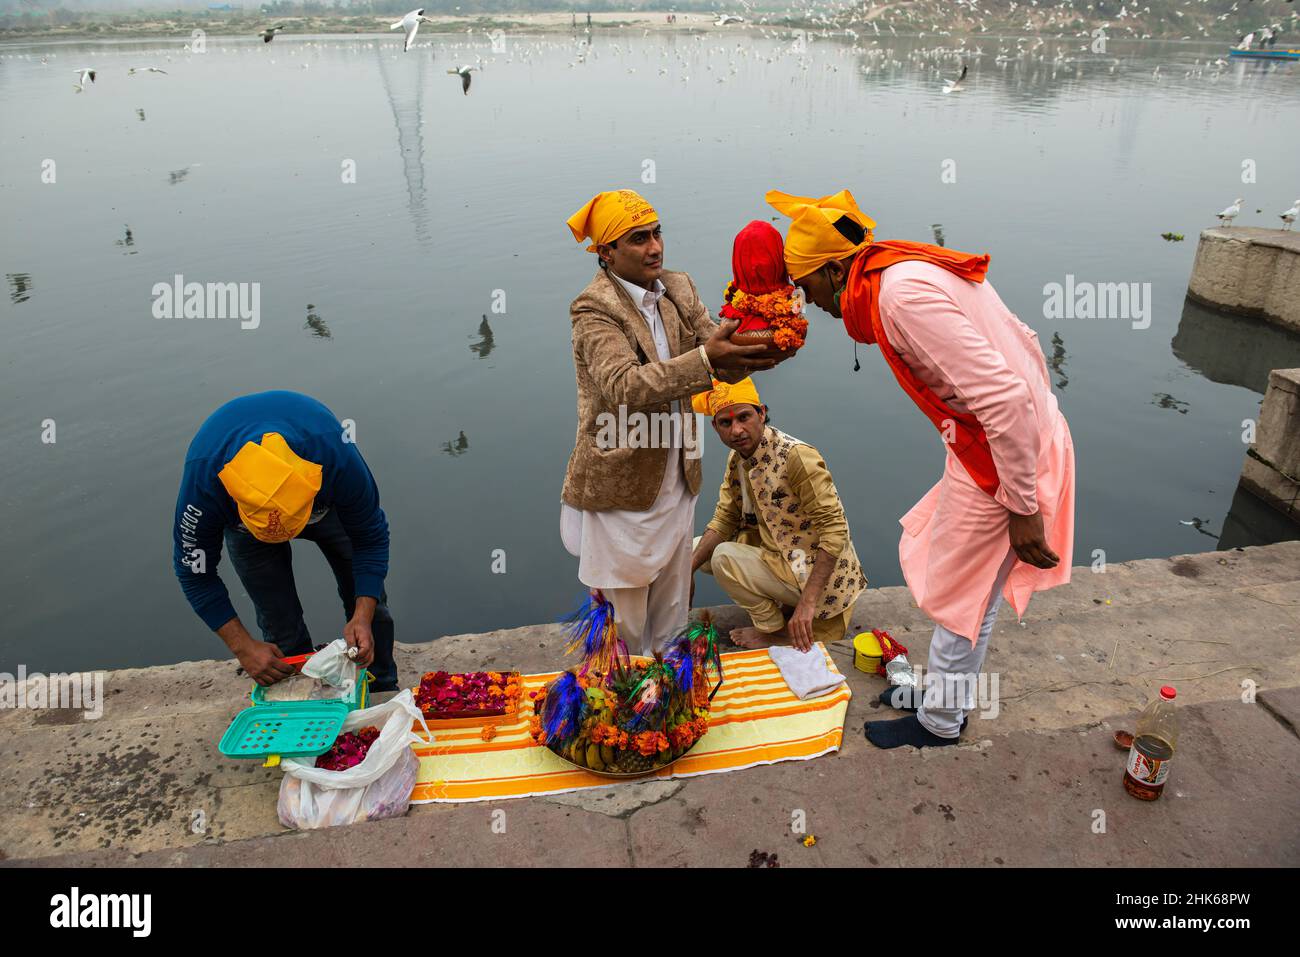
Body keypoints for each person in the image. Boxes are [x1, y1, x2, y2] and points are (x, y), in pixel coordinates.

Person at [767, 188, 1075, 749]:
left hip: (1008, 448)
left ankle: (939, 723)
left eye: (804, 284)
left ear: (836, 270)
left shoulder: (899, 298)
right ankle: (941, 702)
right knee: (957, 578)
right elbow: (1021, 343)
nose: (804, 300)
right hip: (996, 444)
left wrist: (1022, 504)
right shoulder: (896, 269)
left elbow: (1005, 399)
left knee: (964, 596)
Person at [560, 189, 775, 655]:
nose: (655, 247)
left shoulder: (678, 288)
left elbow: (722, 356)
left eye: (657, 234)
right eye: (638, 239)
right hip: (622, 483)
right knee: (625, 616)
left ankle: (668, 696)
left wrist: (769, 333)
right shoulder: (593, 308)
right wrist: (706, 359)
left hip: (678, 476)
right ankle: (622, 707)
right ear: (607, 252)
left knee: (673, 608)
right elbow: (624, 386)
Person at [172, 390, 398, 690]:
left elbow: (370, 538)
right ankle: (296, 697)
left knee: (370, 606)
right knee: (278, 621)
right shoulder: (205, 483)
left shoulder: (334, 455)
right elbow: (194, 575)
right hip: (245, 527)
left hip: (324, 507)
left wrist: (362, 614)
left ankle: (381, 685)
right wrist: (244, 648)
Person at [691, 376, 867, 652]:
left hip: (813, 573)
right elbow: (725, 518)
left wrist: (807, 603)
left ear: (761, 413)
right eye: (726, 423)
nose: (737, 430)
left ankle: (775, 631)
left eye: (744, 417)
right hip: (782, 555)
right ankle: (782, 608)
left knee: (724, 557)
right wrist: (684, 572)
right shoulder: (738, 459)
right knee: (695, 552)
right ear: (715, 427)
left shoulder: (795, 456)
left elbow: (835, 531)